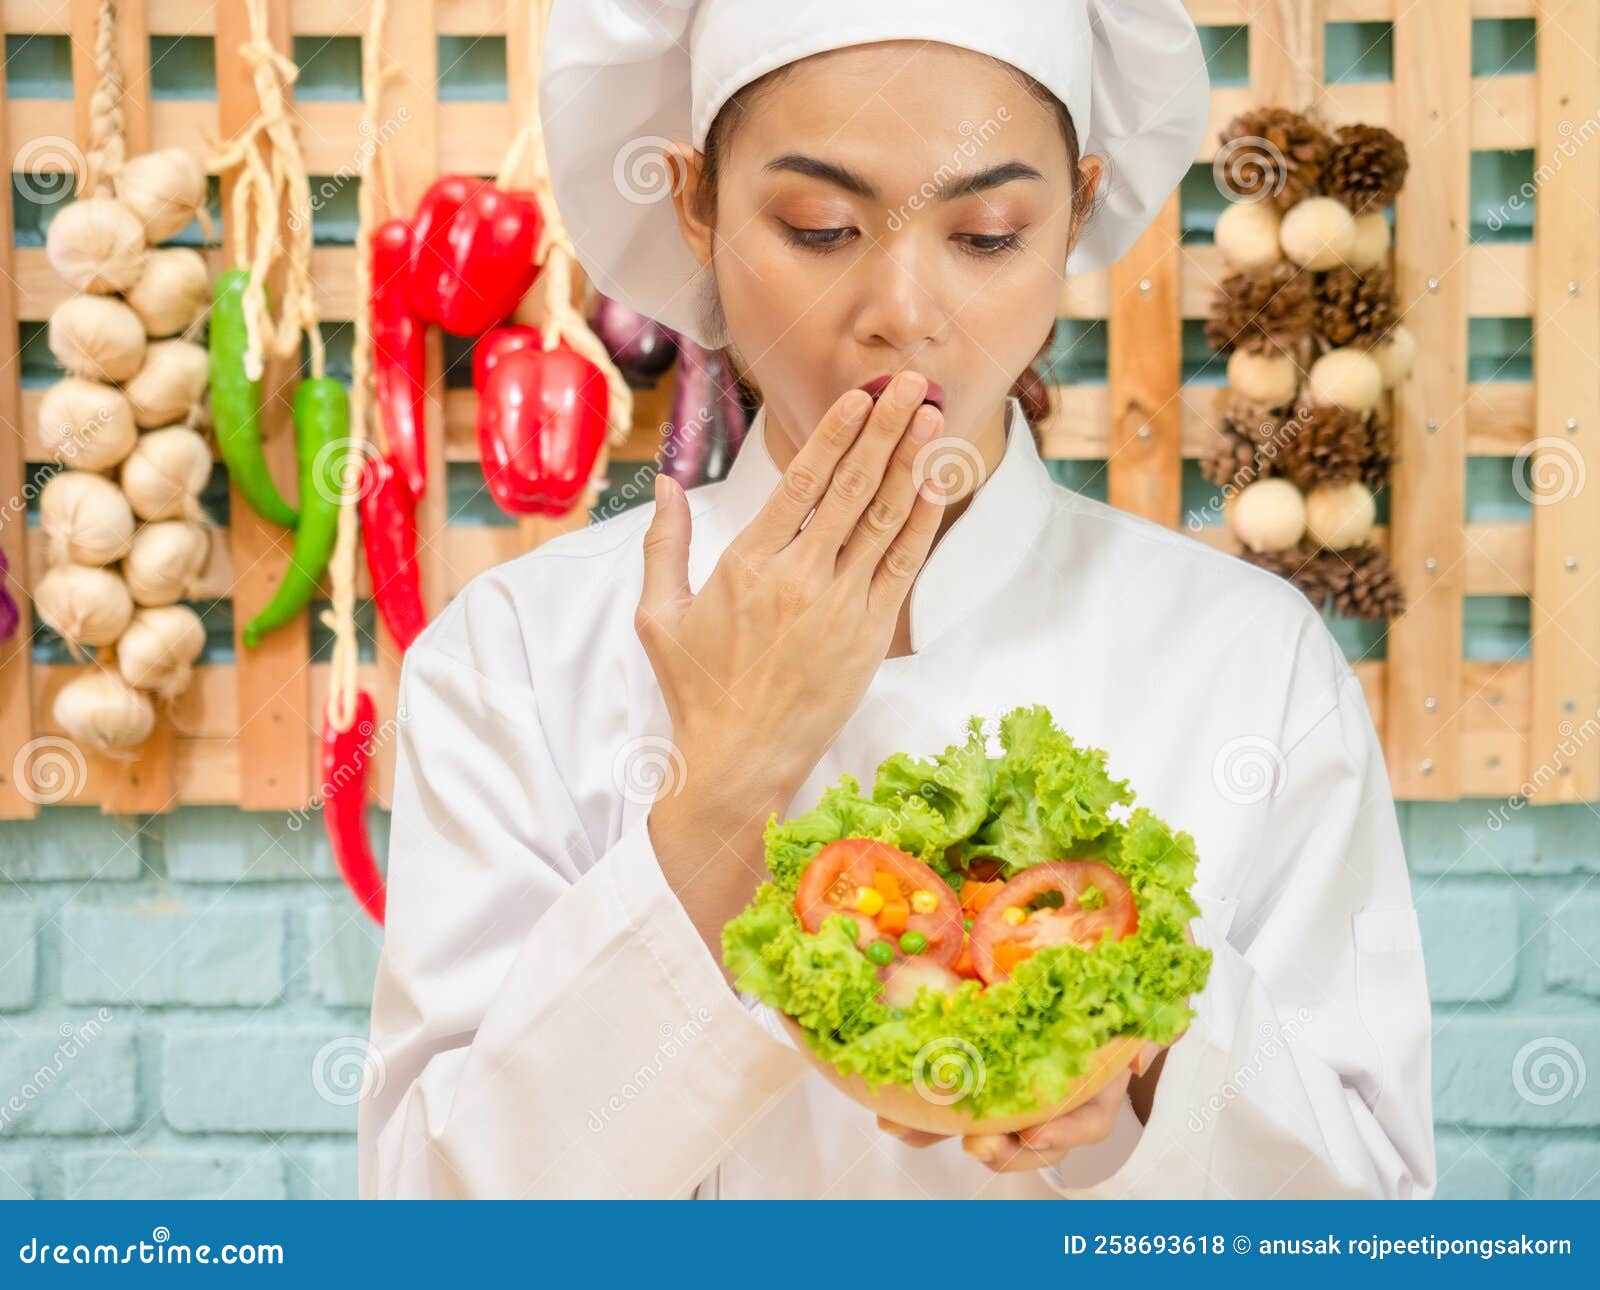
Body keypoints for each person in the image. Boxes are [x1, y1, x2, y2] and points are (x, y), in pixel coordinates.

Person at [357, 0, 1436, 1199]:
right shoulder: (514, 657)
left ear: (1075, 212)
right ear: (697, 204)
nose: (901, 313)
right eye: (820, 226)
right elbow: (432, 1217)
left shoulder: (1248, 658)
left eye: (985, 234)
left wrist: (1146, 1049)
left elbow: (1373, 1216)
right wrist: (719, 794)